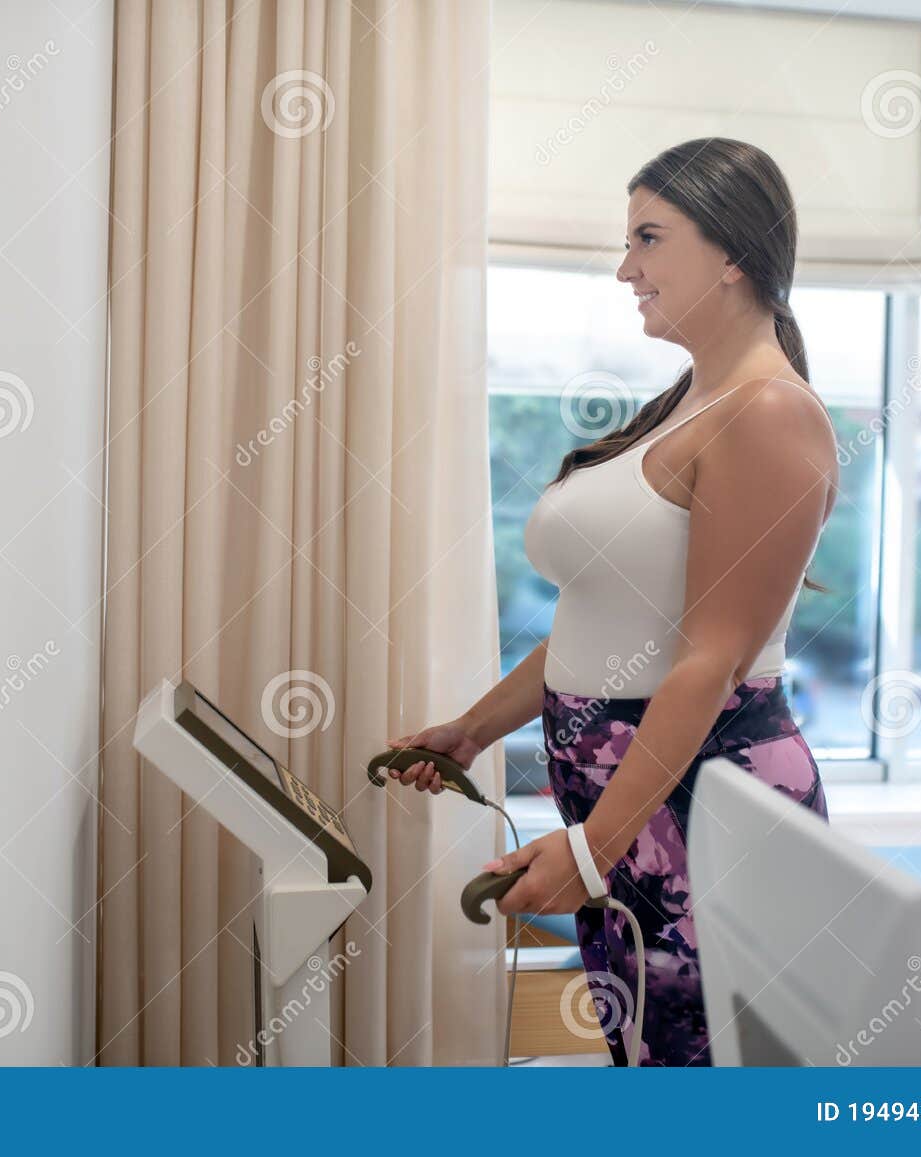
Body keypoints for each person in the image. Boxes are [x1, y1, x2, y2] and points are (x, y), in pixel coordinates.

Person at [385, 138, 839, 1067]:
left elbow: (709, 659)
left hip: (704, 799)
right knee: (649, 1057)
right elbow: (605, 628)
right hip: (632, 797)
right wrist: (475, 728)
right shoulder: (687, 404)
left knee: (707, 1069)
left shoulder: (769, 413)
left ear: (732, 255)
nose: (625, 267)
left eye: (647, 237)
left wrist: (591, 848)